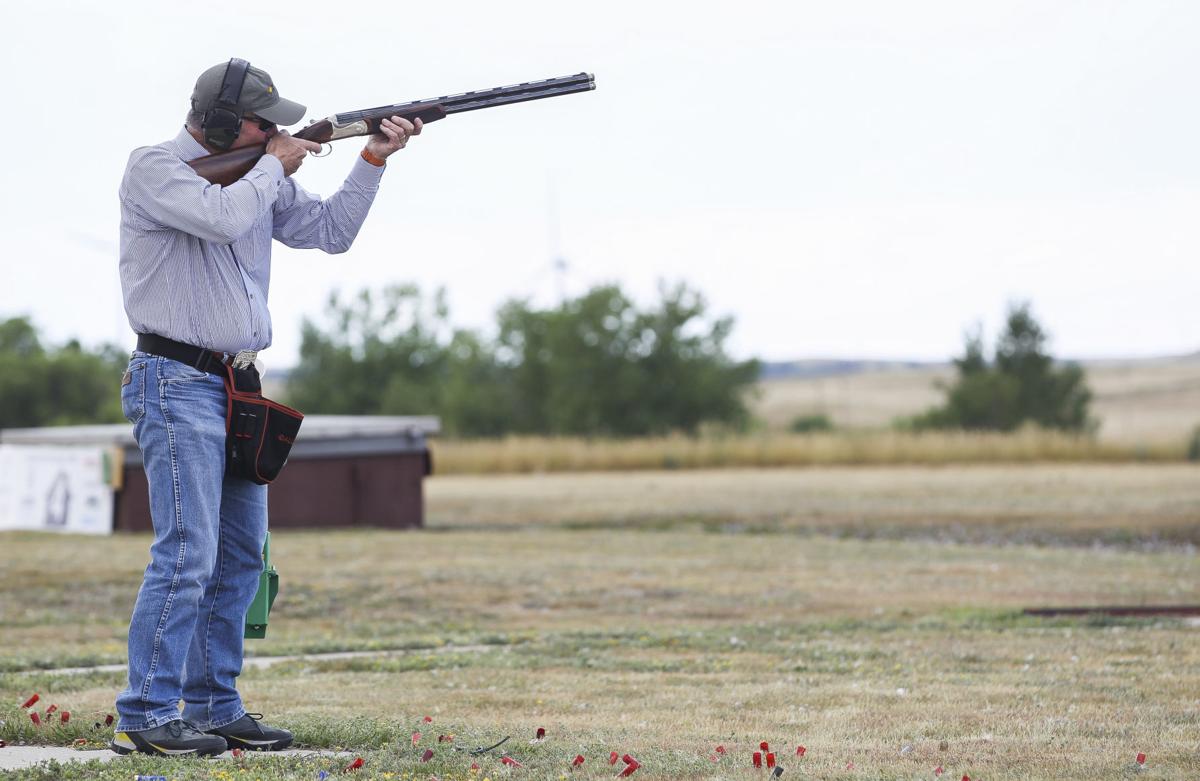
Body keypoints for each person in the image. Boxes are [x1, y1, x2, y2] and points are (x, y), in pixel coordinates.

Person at [111, 58, 422, 757]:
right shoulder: (154, 168)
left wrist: (371, 157)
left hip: (235, 386)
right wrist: (276, 164)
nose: (277, 130)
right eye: (263, 121)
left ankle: (215, 705)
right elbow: (220, 219)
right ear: (222, 123)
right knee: (187, 552)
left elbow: (330, 232)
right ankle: (146, 713)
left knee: (241, 557)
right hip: (173, 377)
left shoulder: (255, 176)